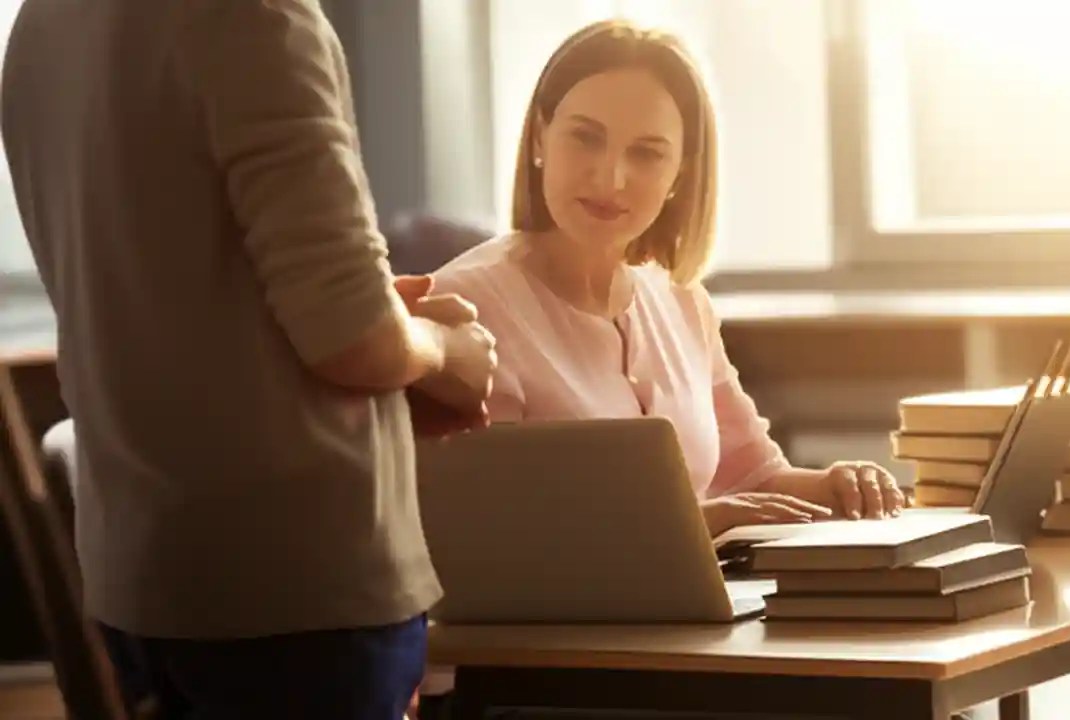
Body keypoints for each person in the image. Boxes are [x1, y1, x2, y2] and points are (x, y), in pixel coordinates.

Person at [2, 1, 494, 718]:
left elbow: (171, 297)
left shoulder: (42, 25)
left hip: (138, 574)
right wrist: (450, 350)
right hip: (295, 593)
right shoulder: (252, 14)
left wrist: (376, 323)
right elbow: (350, 336)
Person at [429, 19, 905, 536]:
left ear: (680, 173)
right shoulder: (462, 304)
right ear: (541, 138)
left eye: (647, 153)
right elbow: (486, 524)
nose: (611, 178)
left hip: (696, 608)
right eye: (585, 138)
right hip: (552, 617)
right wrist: (685, 525)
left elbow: (754, 476)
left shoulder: (679, 298)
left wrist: (836, 485)